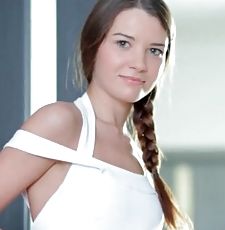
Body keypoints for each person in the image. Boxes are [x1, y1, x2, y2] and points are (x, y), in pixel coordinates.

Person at [0, 0, 192, 229]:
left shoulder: (138, 155)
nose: (140, 63)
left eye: (154, 51)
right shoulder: (63, 123)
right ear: (93, 45)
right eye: (123, 43)